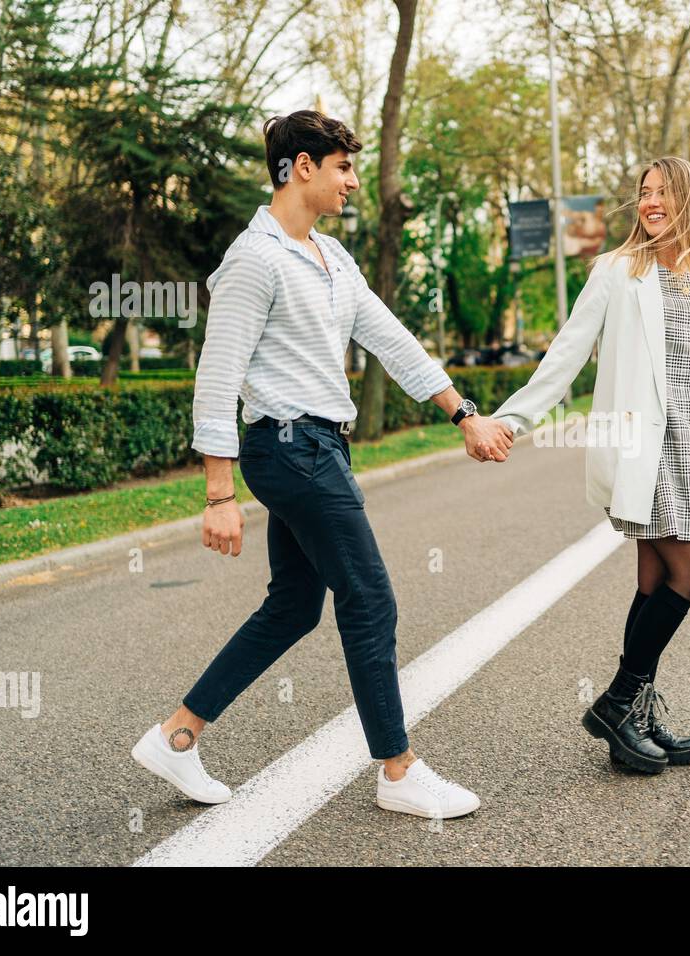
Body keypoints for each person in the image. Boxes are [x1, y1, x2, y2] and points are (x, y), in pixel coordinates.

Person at [130, 110, 513, 820]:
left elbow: (393, 341)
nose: (353, 182)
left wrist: (464, 415)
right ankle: (398, 771)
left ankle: (177, 736)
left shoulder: (333, 260)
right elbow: (218, 375)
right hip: (286, 447)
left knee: (294, 607)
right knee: (369, 599)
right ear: (301, 167)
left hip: (321, 446)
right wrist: (218, 494)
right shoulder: (255, 259)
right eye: (342, 168)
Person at [491, 157, 690, 774]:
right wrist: (511, 420)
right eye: (644, 193)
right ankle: (619, 700)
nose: (651, 203)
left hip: (683, 446)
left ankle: (637, 714)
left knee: (653, 582)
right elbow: (567, 352)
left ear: (689, 201)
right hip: (641, 449)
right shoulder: (617, 270)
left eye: (663, 193)